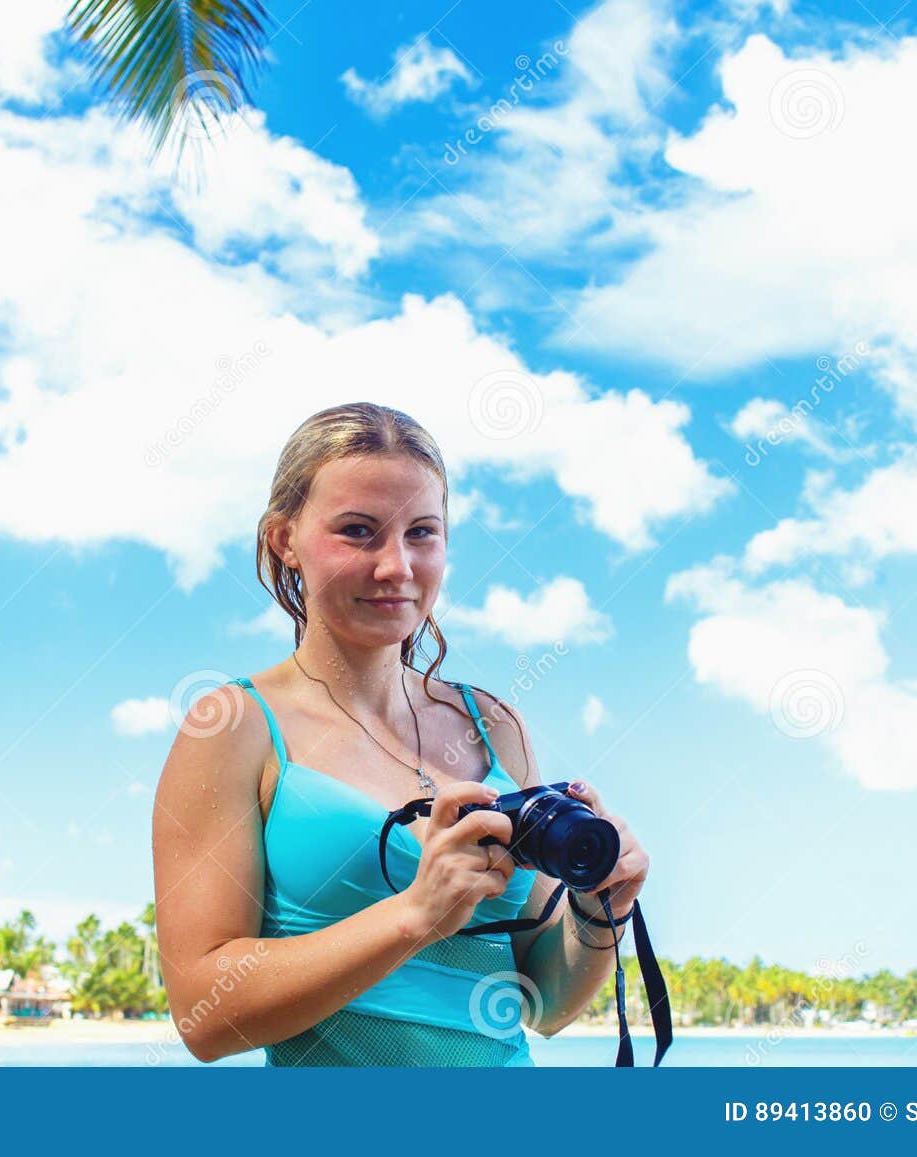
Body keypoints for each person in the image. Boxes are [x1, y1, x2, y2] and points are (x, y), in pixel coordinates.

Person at [152, 402, 650, 1065]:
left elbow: (545, 1004)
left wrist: (597, 910)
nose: (397, 566)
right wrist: (414, 915)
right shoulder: (234, 727)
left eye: (422, 532)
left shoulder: (493, 725)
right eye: (358, 531)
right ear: (284, 540)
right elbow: (203, 1016)